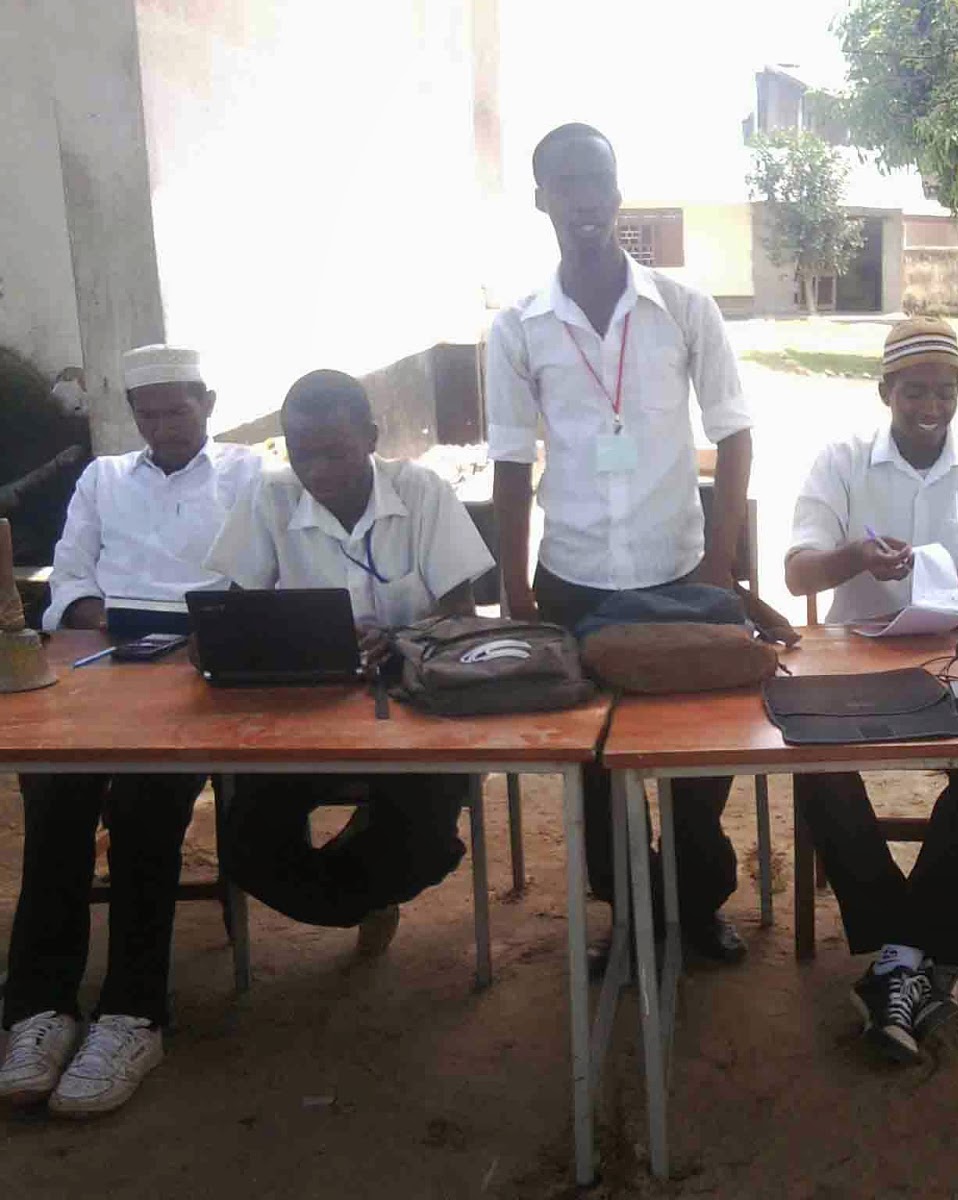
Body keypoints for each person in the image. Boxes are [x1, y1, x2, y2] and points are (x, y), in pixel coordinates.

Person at [486, 123, 754, 967]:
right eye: (566, 182)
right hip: (573, 583)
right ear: (542, 200)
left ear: (616, 191)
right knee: (597, 775)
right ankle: (629, 917)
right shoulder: (518, 327)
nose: (584, 198)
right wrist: (516, 593)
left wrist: (719, 561)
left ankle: (694, 904)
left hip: (679, 574)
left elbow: (736, 434)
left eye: (597, 179)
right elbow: (507, 461)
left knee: (695, 765)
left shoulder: (683, 309)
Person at [0, 345, 260, 1117]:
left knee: (149, 809)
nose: (161, 426)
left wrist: (201, 639)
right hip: (102, 658)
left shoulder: (249, 474)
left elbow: (262, 575)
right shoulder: (103, 477)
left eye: (176, 410)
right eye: (147, 413)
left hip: (203, 664)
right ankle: (38, 1009)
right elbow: (69, 573)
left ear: (207, 402)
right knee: (55, 799)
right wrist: (100, 620)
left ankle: (133, 1013)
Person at [784, 317, 958, 1063]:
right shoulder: (843, 460)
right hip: (856, 662)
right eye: (916, 390)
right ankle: (915, 947)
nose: (932, 404)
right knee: (814, 766)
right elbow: (798, 572)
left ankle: (897, 955)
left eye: (946, 390)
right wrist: (853, 557)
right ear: (885, 390)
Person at [207, 370, 494, 952]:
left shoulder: (420, 492)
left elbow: (460, 615)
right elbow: (232, 610)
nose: (316, 472)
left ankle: (369, 870)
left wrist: (400, 638)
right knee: (248, 845)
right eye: (300, 453)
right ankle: (362, 893)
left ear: (371, 437)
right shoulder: (270, 496)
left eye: (334, 452)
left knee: (422, 840)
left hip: (415, 704)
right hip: (305, 711)